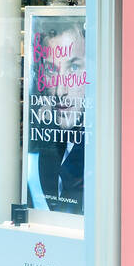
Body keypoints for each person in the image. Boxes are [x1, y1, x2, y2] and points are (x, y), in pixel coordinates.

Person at [24, 18, 87, 215]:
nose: (61, 91)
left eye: (74, 68)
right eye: (52, 70)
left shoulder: (103, 151)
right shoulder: (42, 148)